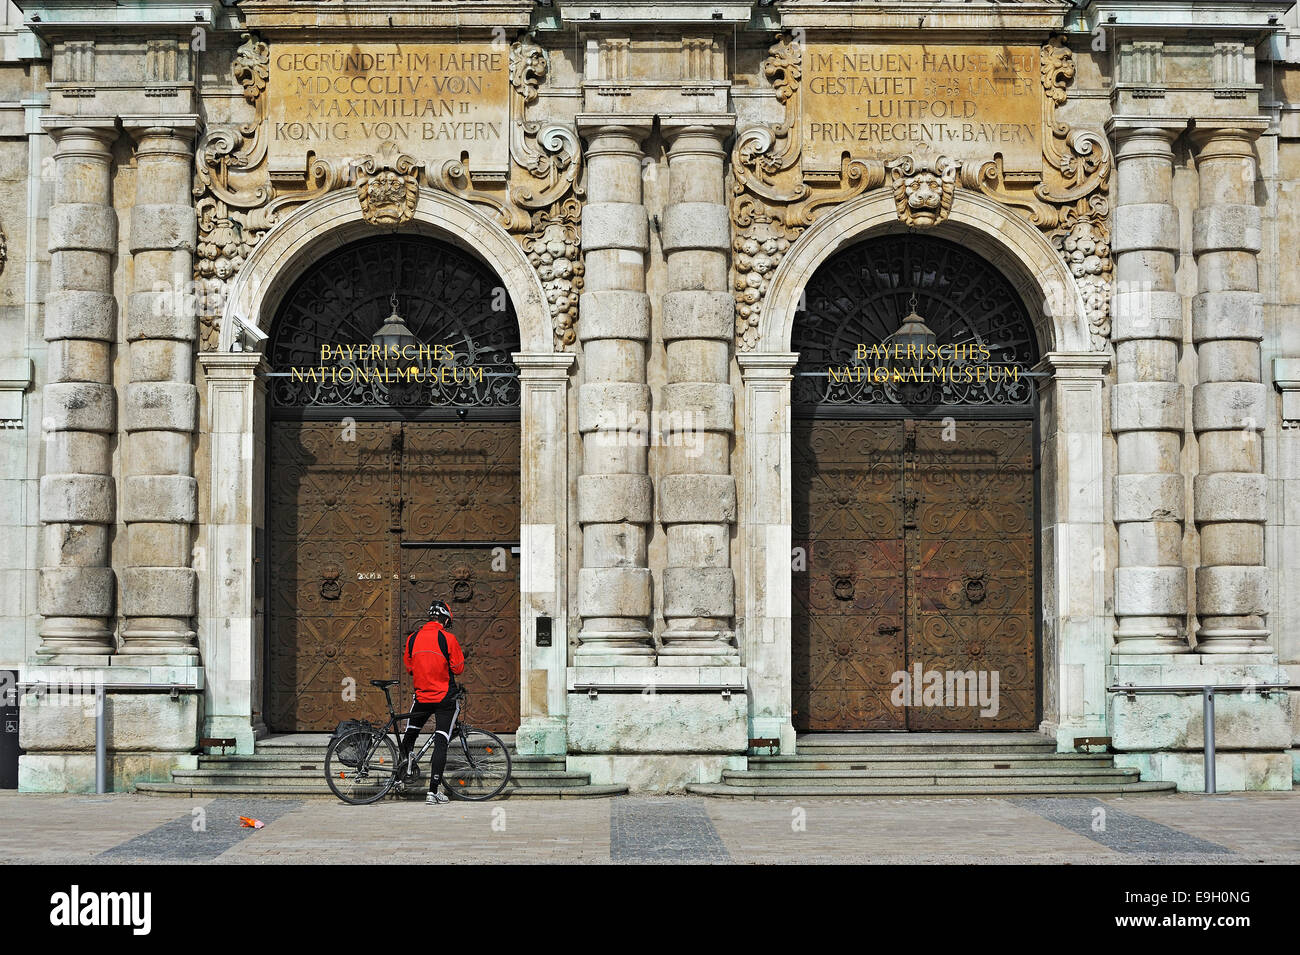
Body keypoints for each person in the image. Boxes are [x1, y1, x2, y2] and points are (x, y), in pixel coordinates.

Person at [398, 599, 465, 806]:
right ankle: (433, 792)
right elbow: (458, 669)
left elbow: (409, 668)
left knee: (410, 735)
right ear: (445, 620)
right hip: (444, 698)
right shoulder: (448, 638)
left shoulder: (413, 638)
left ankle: (401, 776)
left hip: (422, 697)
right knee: (441, 740)